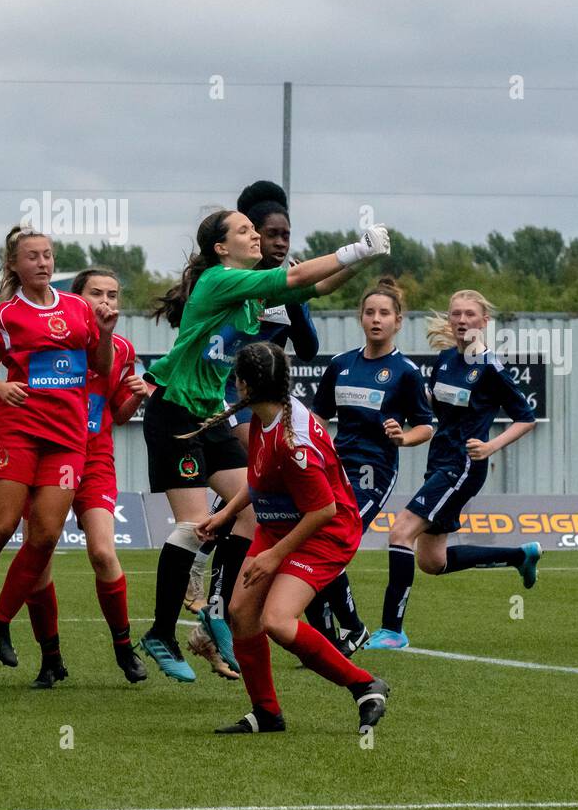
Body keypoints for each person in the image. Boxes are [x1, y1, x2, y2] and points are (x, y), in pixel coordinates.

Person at [139, 207, 389, 681]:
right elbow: (294, 280)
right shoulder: (218, 280)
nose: (256, 236)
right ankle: (161, 632)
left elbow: (315, 286)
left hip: (209, 414)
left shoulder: (251, 294)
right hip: (174, 411)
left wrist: (359, 261)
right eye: (245, 231)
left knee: (248, 511)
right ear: (220, 247)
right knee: (194, 526)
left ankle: (216, 612)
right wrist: (357, 248)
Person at [0, 225, 116, 668]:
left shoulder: (77, 308)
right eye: (32, 256)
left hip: (68, 438)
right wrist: (0, 386)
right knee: (0, 527)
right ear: (15, 264)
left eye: (48, 255)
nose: (43, 263)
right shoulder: (5, 315)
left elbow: (100, 367)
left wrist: (106, 333)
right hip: (15, 431)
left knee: (46, 535)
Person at [190, 342, 390, 735]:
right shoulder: (265, 419)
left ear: (243, 384)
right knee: (242, 613)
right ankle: (266, 713)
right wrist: (225, 514)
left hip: (323, 534)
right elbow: (260, 478)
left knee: (278, 621)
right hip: (280, 525)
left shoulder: (293, 440)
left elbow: (325, 509)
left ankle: (365, 686)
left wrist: (273, 555)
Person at [365, 289, 541, 650]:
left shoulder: (491, 367)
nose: (462, 321)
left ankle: (392, 631)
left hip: (462, 466)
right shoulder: (446, 359)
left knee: (400, 532)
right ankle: (520, 555)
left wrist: (491, 446)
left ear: (484, 322)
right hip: (438, 463)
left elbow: (526, 418)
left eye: (470, 315)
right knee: (433, 562)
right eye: (456, 314)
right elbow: (433, 409)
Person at [20, 268, 149, 688]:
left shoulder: (124, 350)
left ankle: (124, 648)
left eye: (113, 294)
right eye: (97, 293)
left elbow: (117, 413)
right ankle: (51, 658)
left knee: (103, 553)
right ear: (75, 300)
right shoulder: (51, 337)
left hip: (94, 459)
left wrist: (138, 395)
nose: (106, 301)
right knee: (37, 557)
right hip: (48, 457)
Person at [309, 276, 434, 651]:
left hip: (373, 472)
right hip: (334, 466)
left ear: (398, 321)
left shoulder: (406, 373)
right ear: (360, 318)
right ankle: (328, 637)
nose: (376, 319)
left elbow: (426, 426)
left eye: (384, 313)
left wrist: (402, 437)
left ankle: (354, 628)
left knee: (330, 543)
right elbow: (319, 417)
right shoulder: (340, 365)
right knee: (311, 540)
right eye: (369, 312)